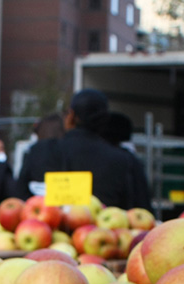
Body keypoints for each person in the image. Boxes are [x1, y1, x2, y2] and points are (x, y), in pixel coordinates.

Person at [16, 88, 150, 210]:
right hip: (105, 233)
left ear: (71, 117)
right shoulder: (123, 160)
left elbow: (19, 199)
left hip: (45, 231)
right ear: (104, 121)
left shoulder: (39, 151)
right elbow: (137, 208)